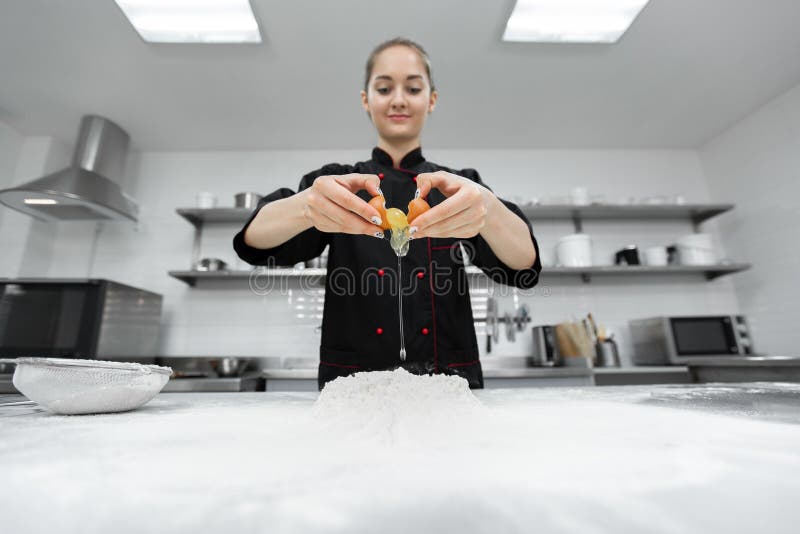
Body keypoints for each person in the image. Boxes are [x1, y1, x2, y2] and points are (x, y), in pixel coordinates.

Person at [233, 37, 542, 389]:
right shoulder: (337, 184)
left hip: (448, 386)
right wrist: (305, 207)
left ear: (432, 99)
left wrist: (489, 209)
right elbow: (255, 243)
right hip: (353, 388)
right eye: (383, 88)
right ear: (366, 100)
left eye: (413, 88)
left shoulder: (460, 187)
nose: (398, 100)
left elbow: (524, 266)